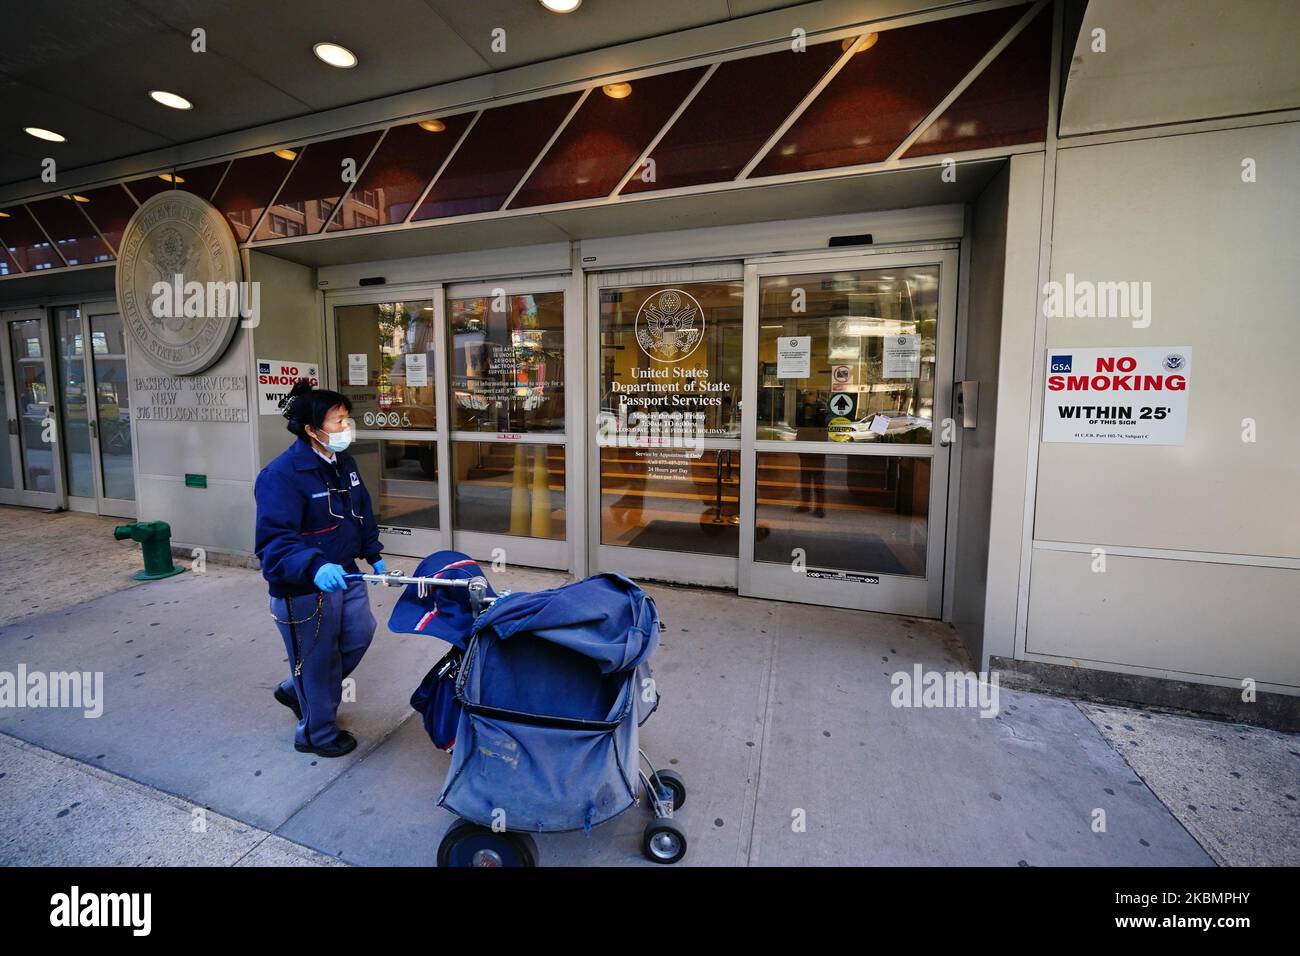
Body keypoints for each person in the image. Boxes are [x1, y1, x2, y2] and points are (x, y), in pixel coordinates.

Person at [254, 379, 386, 757]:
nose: (346, 428)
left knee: (360, 634)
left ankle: (298, 691)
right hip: (304, 585)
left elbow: (359, 509)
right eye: (338, 422)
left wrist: (372, 551)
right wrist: (313, 566)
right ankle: (316, 733)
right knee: (316, 659)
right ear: (311, 430)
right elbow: (274, 543)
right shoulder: (281, 476)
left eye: (347, 419)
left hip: (345, 572)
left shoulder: (343, 462)